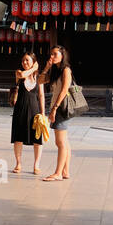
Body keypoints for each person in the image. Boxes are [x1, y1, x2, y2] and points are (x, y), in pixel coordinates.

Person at [39, 44, 73, 182]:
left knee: (60, 142)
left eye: (55, 54)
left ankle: (58, 173)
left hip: (61, 108)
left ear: (62, 56)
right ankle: (65, 171)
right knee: (64, 141)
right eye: (51, 54)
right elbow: (40, 81)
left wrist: (54, 109)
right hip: (57, 107)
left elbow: (64, 91)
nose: (52, 56)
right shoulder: (55, 71)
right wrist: (47, 67)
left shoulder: (66, 70)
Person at [10, 51, 45, 174]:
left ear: (33, 62)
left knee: (37, 138)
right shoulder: (19, 73)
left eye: (27, 60)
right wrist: (34, 67)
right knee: (18, 138)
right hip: (20, 109)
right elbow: (24, 74)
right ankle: (18, 164)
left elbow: (41, 95)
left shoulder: (39, 77)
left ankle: (36, 165)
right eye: (23, 60)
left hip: (35, 110)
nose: (24, 62)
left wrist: (43, 113)